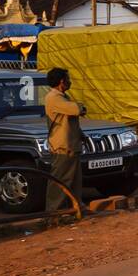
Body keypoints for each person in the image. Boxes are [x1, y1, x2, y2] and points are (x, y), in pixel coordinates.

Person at [43, 67, 86, 211]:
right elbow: (76, 109)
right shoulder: (54, 98)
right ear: (62, 81)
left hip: (71, 145)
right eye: (68, 79)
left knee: (74, 181)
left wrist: (81, 135)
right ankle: (55, 212)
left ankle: (75, 208)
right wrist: (82, 106)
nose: (70, 82)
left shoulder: (62, 97)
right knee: (60, 181)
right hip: (62, 147)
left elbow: (69, 120)